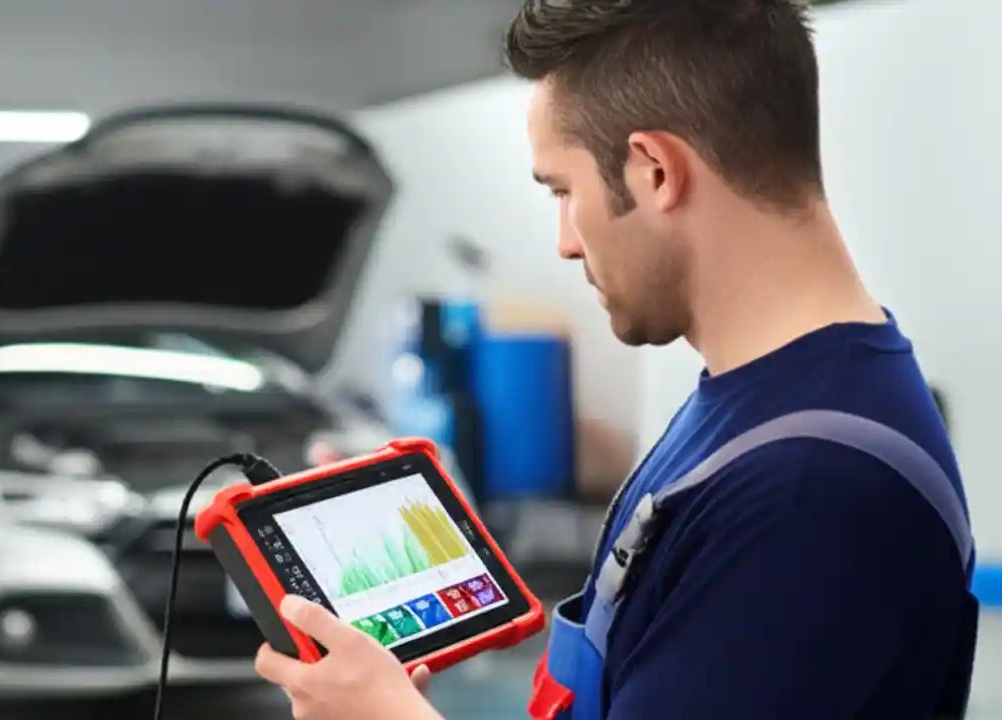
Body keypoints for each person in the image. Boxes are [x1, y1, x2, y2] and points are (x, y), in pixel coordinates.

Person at [254, 1, 979, 718]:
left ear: (657, 171)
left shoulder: (808, 493)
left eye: (565, 191)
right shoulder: (765, 401)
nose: (566, 241)